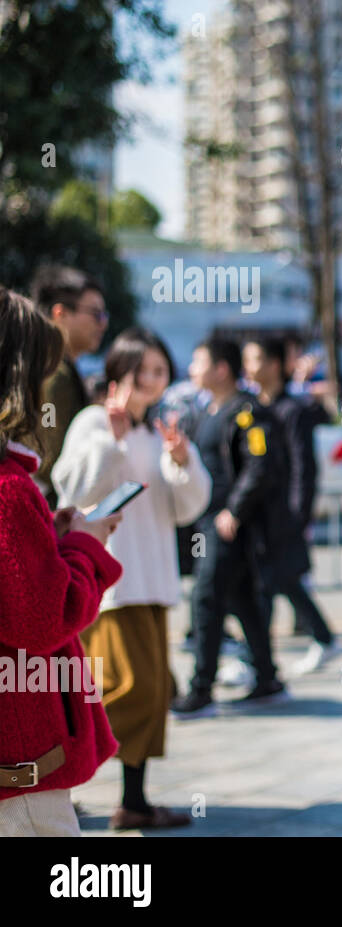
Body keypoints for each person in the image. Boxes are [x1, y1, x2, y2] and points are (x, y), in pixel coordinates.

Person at [52, 327, 211, 829]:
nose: (149, 381)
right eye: (140, 371)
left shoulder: (156, 432)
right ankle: (64, 781)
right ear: (118, 373)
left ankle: (132, 799)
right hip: (109, 585)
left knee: (151, 692)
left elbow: (188, 507)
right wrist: (112, 442)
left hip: (152, 580)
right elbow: (73, 488)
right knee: (125, 691)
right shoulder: (93, 422)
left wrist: (181, 461)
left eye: (158, 371)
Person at [0, 286, 123, 836]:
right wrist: (85, 543)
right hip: (20, 768)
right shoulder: (9, 487)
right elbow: (43, 617)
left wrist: (50, 536)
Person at [171, 336, 286, 715]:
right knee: (242, 601)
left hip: (228, 526)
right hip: (209, 524)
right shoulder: (207, 411)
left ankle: (200, 687)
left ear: (221, 368)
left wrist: (233, 511)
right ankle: (267, 677)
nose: (192, 368)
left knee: (205, 598)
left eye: (198, 361)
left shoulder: (247, 412)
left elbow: (260, 465)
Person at [243, 335, 336, 674]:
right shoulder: (255, 410)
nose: (248, 367)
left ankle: (313, 641)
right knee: (271, 582)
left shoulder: (292, 411)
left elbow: (303, 467)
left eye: (254, 359)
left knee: (279, 580)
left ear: (273, 365)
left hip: (284, 515)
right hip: (261, 514)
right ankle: (259, 657)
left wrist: (299, 514)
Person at [30, 265, 108, 508]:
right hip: (46, 512)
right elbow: (48, 458)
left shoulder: (48, 364)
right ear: (60, 313)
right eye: (96, 314)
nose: (103, 324)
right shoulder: (54, 373)